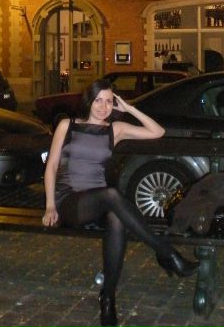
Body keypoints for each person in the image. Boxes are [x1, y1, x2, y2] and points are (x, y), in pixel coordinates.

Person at [43, 79, 199, 327]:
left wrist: (129, 108)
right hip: (70, 201)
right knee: (112, 195)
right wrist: (50, 205)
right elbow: (51, 166)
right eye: (98, 100)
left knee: (116, 217)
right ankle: (166, 252)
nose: (103, 106)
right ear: (89, 101)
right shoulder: (67, 125)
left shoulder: (114, 129)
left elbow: (158, 132)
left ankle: (108, 298)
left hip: (100, 203)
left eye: (108, 101)